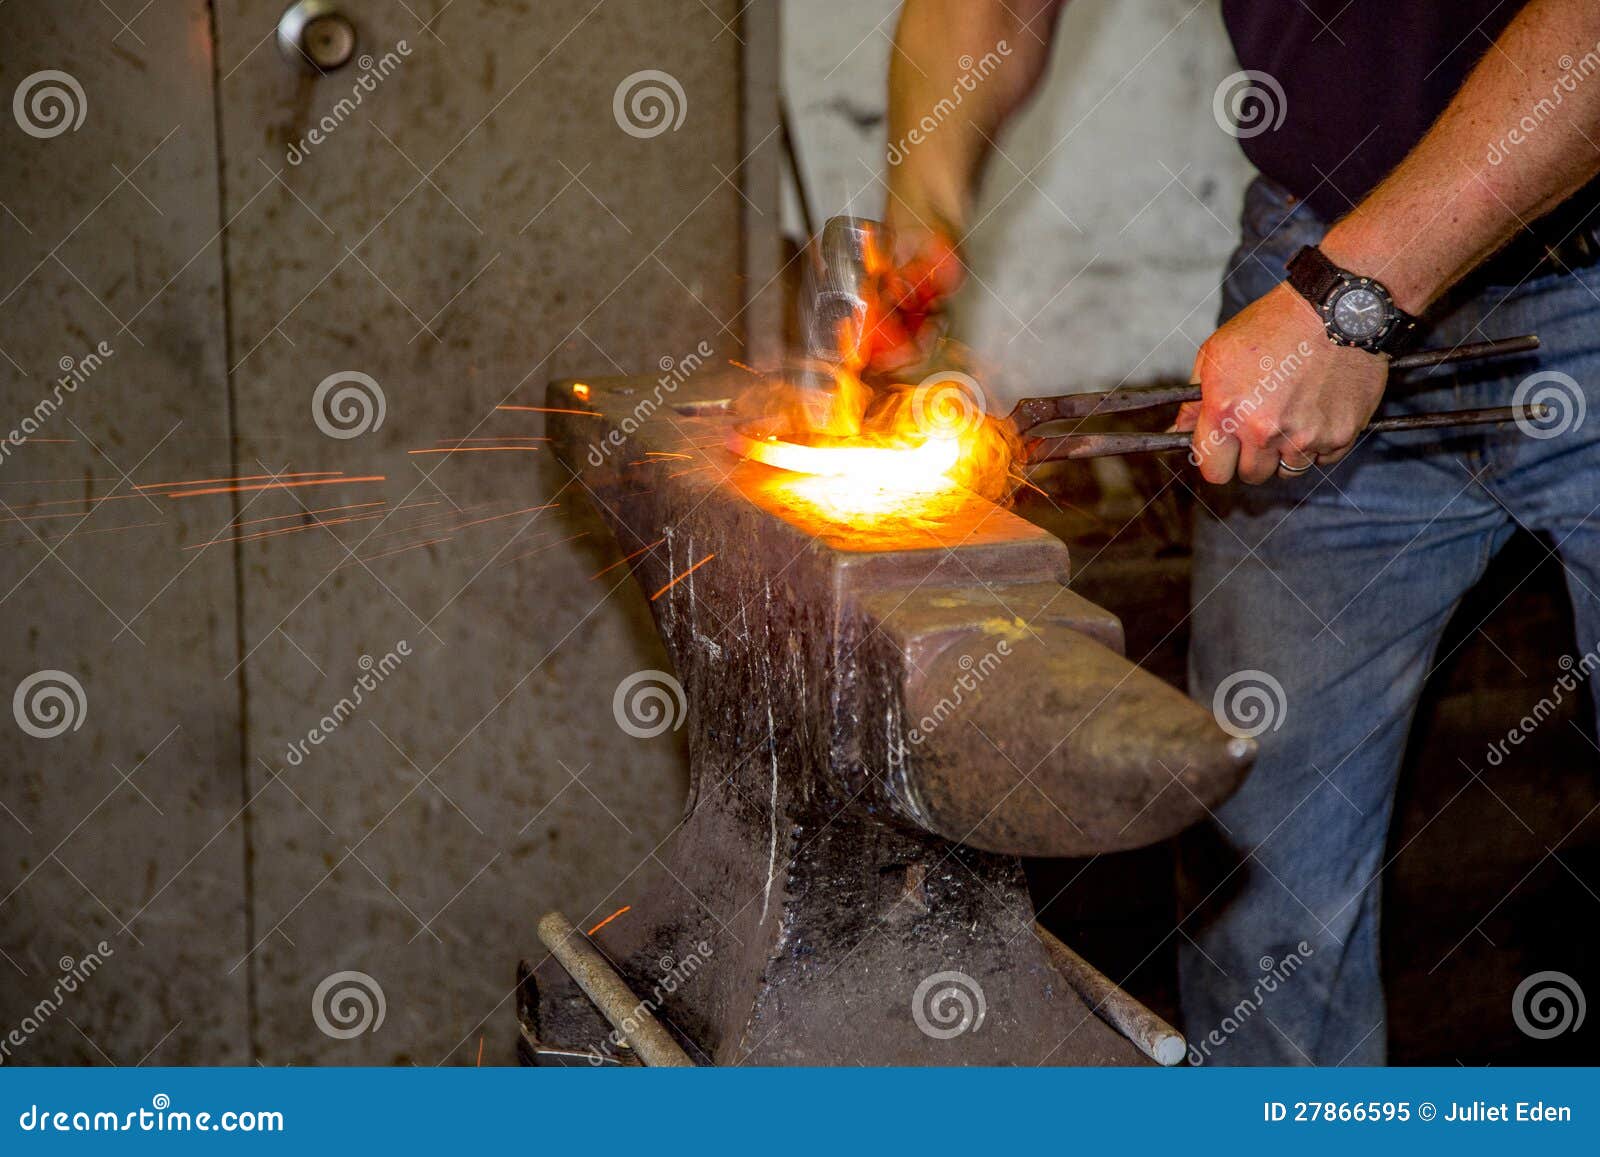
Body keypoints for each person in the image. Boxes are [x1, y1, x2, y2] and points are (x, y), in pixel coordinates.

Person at [879, 0, 1600, 1064]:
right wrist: (917, 218)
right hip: (1315, 241)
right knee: (1264, 890)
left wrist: (1355, 300)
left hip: (1474, 269)